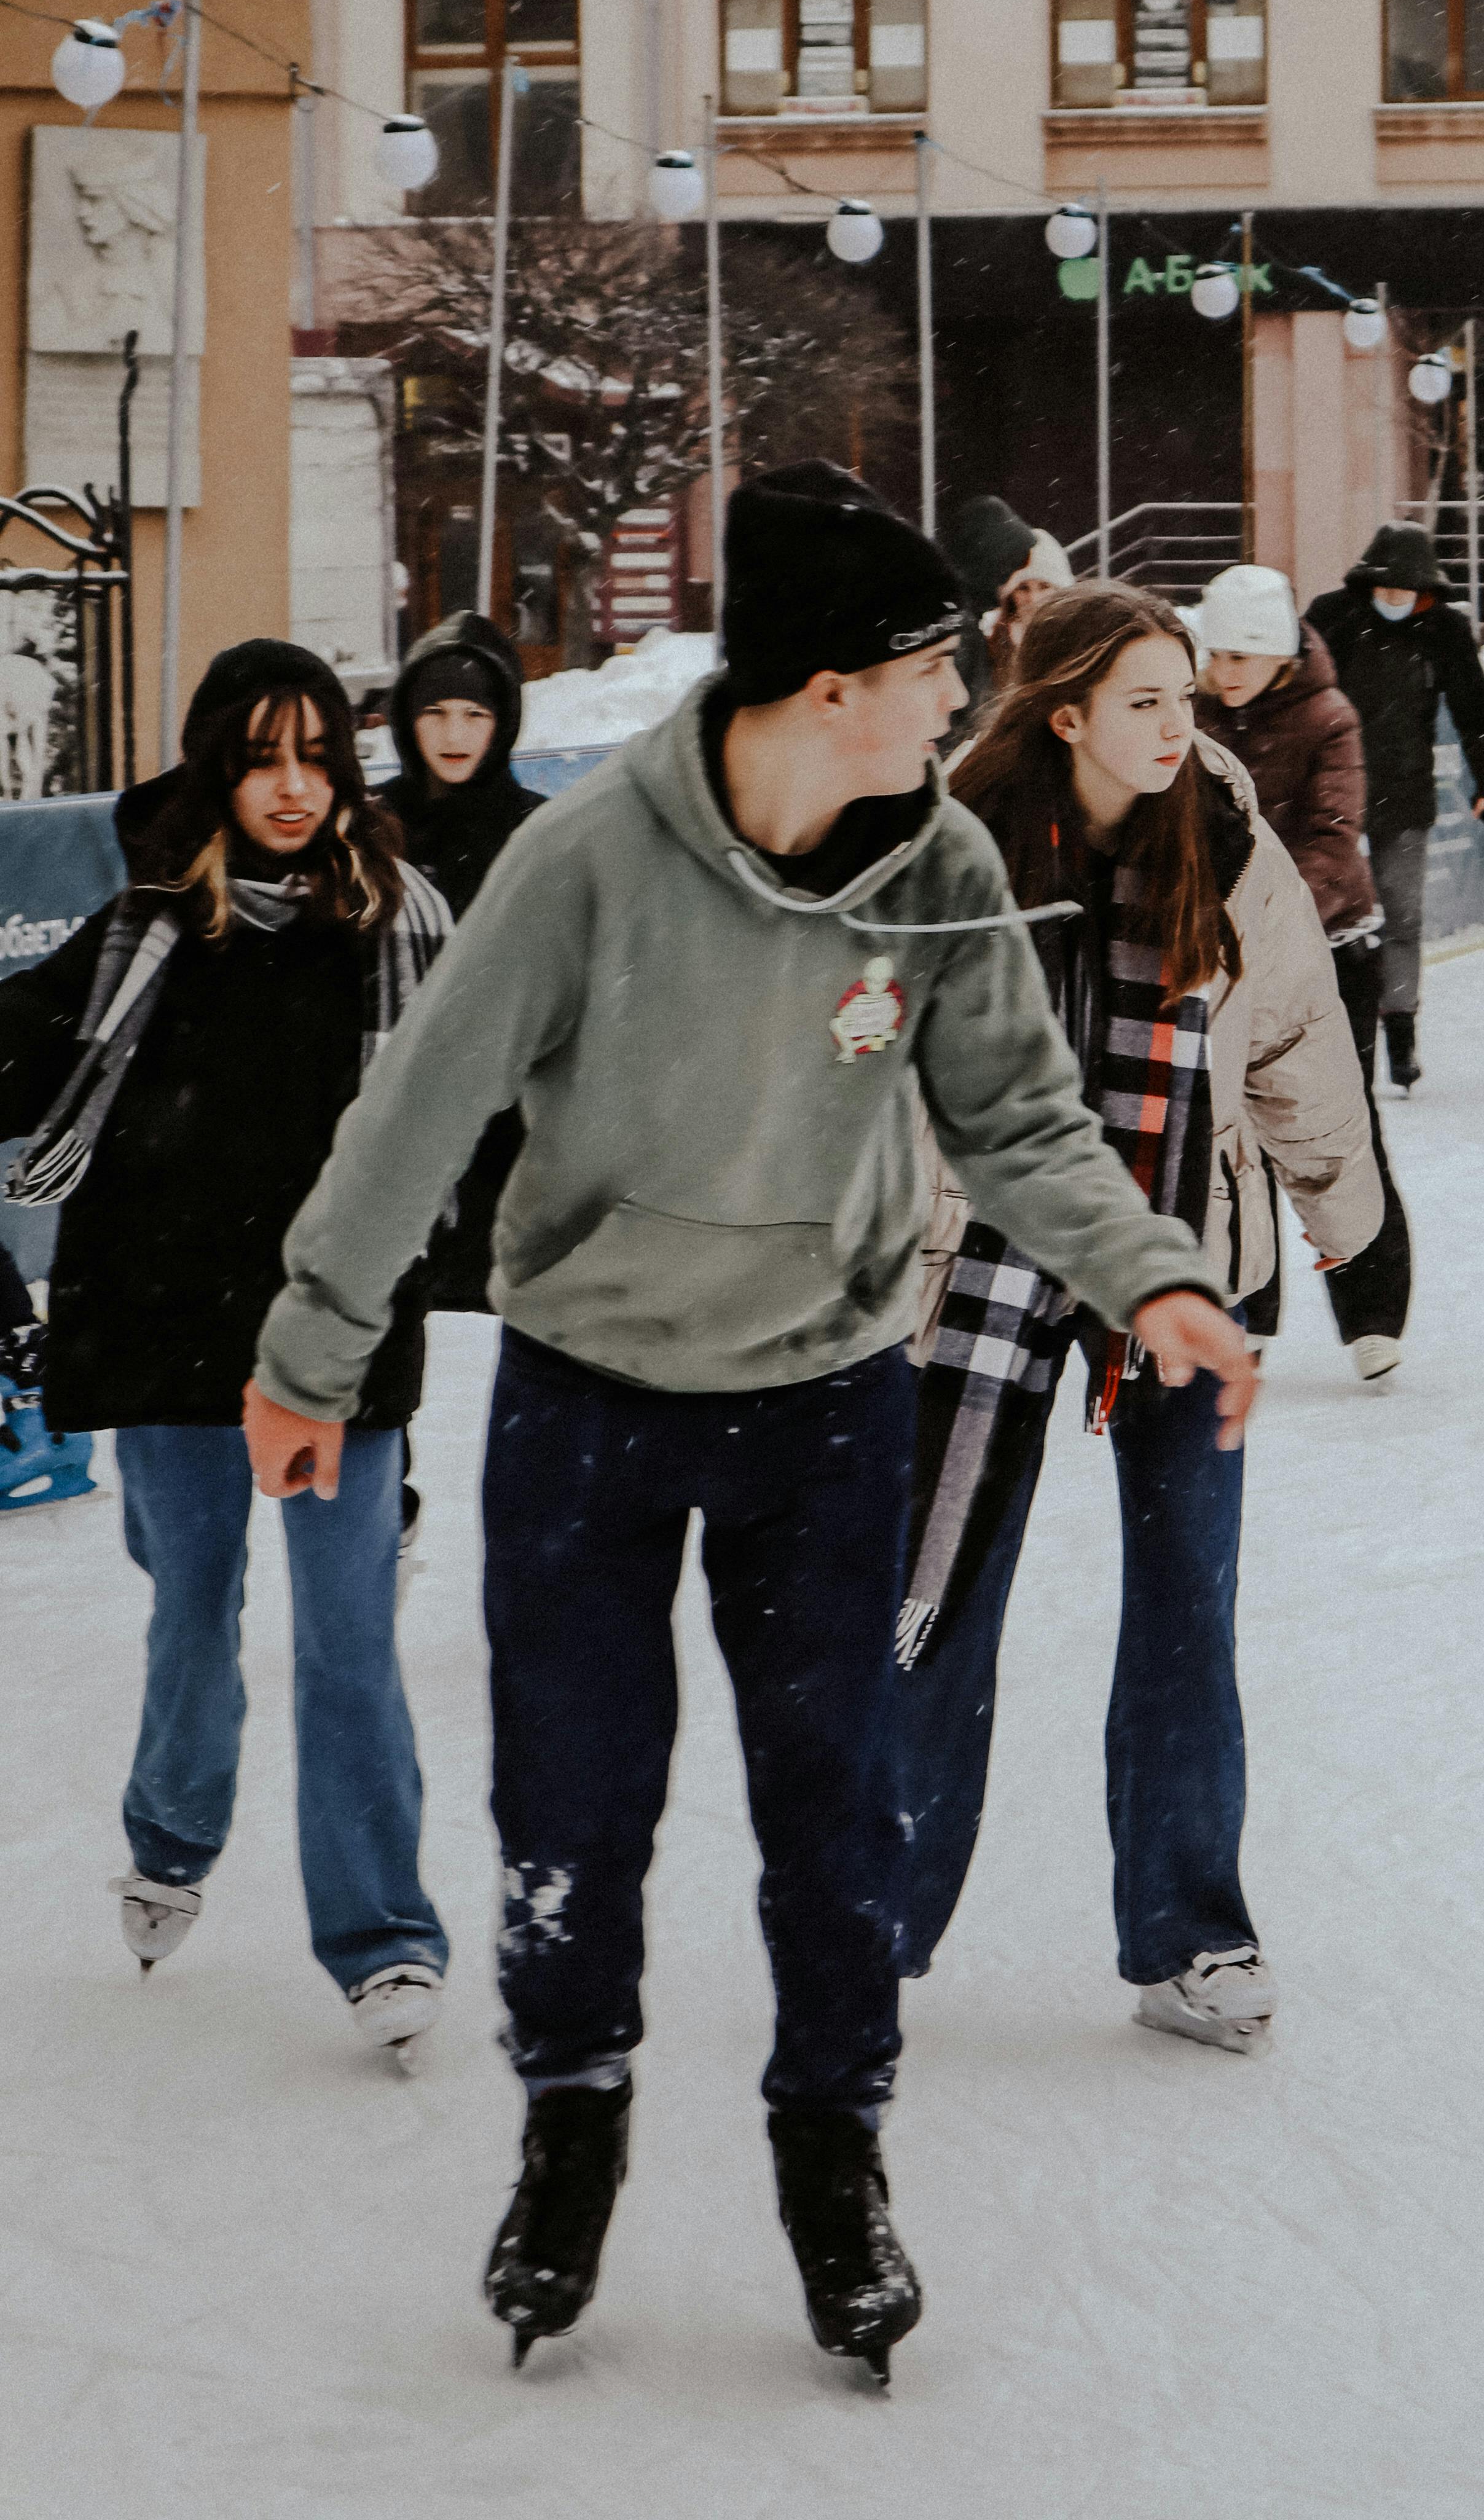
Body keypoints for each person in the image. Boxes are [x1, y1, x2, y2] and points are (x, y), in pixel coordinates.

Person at [245, 473, 1250, 2384]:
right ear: (819, 685)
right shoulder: (591, 861)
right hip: (589, 1398)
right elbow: (418, 1105)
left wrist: (1151, 1273)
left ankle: (832, 2152)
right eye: (928, 662)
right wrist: (311, 1351)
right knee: (574, 1802)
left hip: (826, 1402)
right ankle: (573, 2122)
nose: (959, 688)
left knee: (832, 1804)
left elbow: (1023, 1123)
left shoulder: (938, 860)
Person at [901, 583, 1380, 2055]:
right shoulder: (948, 850)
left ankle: (1190, 1931)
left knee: (1187, 1603)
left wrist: (1355, 1232)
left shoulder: (1226, 841)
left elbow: (1294, 1029)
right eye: (1146, 705)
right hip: (980, 1259)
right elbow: (855, 1049)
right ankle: (867, 1913)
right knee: (933, 1603)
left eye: (1186, 697)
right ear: (1066, 716)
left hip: (1190, 1255)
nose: (1181, 730)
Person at [0, 641, 453, 2053]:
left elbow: (482, 1107)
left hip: (336, 1340)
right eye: (262, 757)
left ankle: (382, 1938)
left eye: (316, 754)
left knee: (346, 1640)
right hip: (170, 1324)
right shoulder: (149, 926)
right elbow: (17, 1048)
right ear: (216, 765)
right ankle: (173, 1833)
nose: (293, 786)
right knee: (191, 1605)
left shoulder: (397, 928)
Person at [1191, 560, 1411, 1386]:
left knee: (1334, 1126)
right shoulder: (1197, 714)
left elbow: (1331, 837)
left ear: (1278, 654)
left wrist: (1261, 918)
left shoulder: (1329, 716)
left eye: (1239, 659)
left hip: (1331, 947)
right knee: (1230, 1135)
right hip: (1224, 958)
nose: (1222, 674)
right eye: (1215, 658)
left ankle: (1374, 1316)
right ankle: (1252, 1308)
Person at [380, 612, 546, 1549]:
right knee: (382, 1311)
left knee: (542, 1326)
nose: (452, 732)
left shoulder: (540, 833)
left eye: (473, 714)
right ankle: (383, 1504)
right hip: (401, 1119)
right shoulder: (368, 829)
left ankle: (538, 1512)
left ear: (503, 723)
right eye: (435, 711)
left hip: (516, 1127)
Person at [1305, 520, 1484, 1093]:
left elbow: (1474, 710)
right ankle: (1335, 1035)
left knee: (1403, 916)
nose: (1397, 599)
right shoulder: (1333, 617)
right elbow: (1298, 696)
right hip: (1335, 790)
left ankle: (1401, 1035)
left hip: (1405, 789)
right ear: (1369, 582)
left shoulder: (1444, 629)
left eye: (1408, 590)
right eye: (1387, 589)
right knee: (1332, 918)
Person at [942, 494, 1071, 736]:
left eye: (1045, 587)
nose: (1034, 599)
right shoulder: (964, 629)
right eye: (1023, 587)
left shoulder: (965, 622)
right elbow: (968, 715)